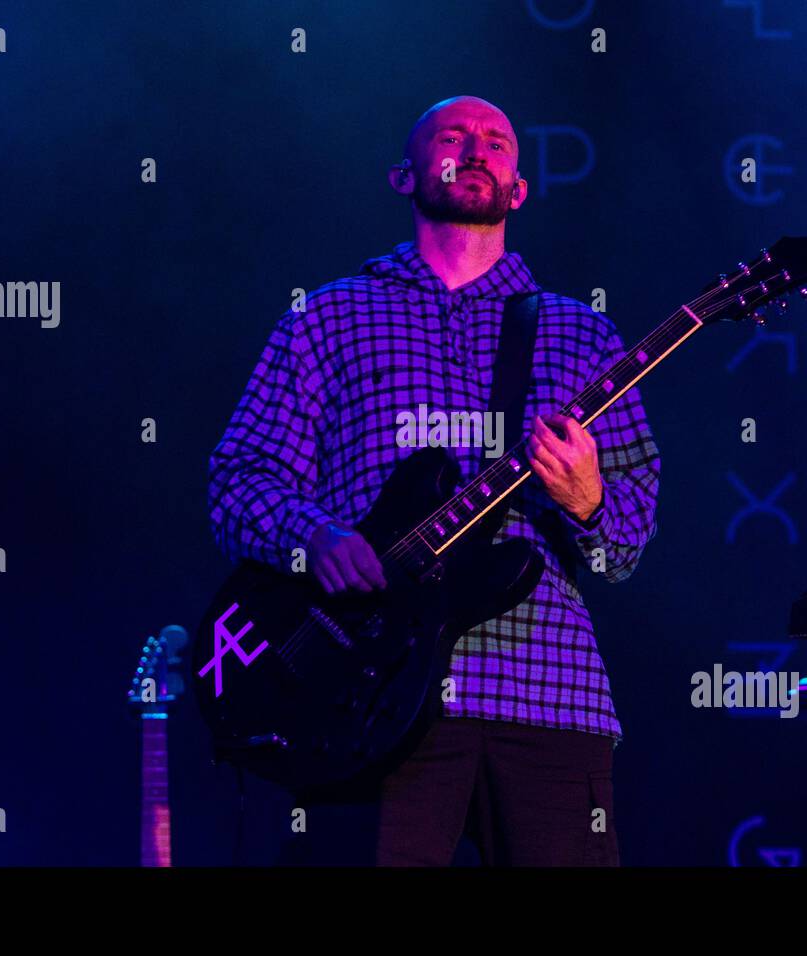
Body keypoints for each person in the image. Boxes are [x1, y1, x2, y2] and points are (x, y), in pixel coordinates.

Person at [209, 95, 659, 865]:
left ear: (518, 187)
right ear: (403, 174)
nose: (477, 148)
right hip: (370, 698)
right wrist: (312, 537)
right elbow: (239, 481)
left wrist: (588, 499)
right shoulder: (326, 318)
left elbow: (628, 542)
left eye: (498, 141)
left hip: (551, 692)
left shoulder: (583, 333)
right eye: (453, 136)